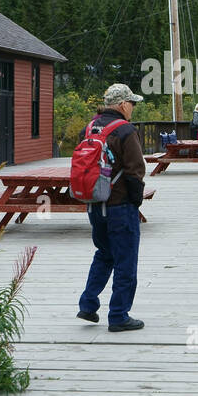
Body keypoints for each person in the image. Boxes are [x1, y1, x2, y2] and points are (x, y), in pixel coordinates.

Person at [77, 83, 147, 332]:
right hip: (120, 206)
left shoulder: (89, 127)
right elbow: (135, 171)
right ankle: (118, 316)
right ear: (122, 105)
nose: (133, 108)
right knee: (125, 260)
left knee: (104, 253)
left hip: (94, 205)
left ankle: (87, 304)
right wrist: (135, 203)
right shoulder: (125, 130)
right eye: (132, 104)